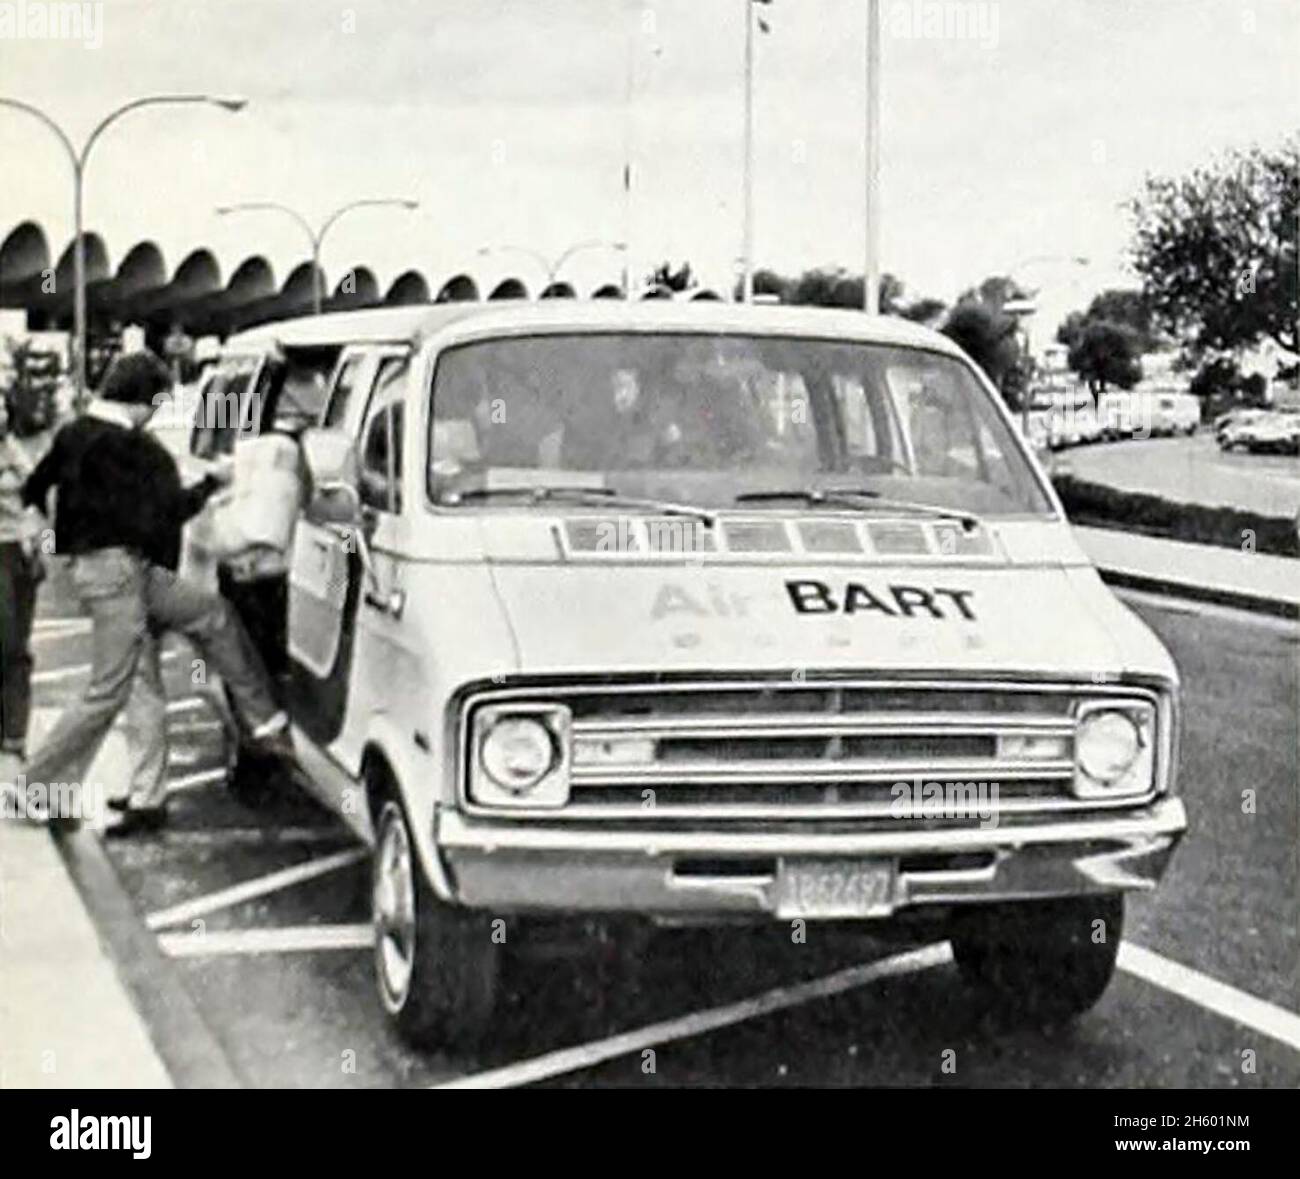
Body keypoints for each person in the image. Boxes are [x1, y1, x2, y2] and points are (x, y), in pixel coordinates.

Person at [21, 351, 293, 836]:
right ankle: (34, 783)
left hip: (111, 574)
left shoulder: (73, 434)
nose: (156, 414)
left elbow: (34, 487)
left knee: (208, 617)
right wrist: (216, 482)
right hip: (123, 575)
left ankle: (147, 793)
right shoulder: (138, 452)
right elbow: (171, 512)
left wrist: (38, 527)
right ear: (141, 401)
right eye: (157, 403)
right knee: (110, 689)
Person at [0, 394, 44, 801]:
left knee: (17, 647)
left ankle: (15, 734)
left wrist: (40, 540)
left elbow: (39, 498)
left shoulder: (15, 449)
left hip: (18, 552)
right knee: (8, 643)